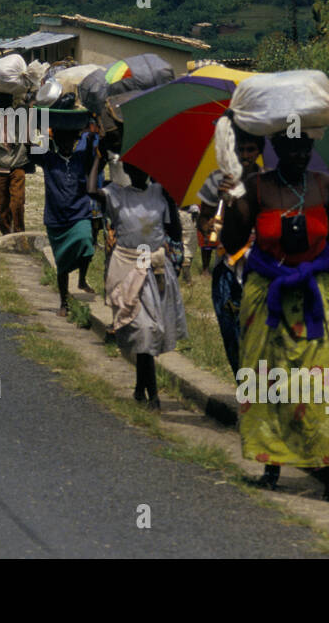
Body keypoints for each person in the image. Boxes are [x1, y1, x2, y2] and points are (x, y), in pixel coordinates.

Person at [220, 130, 329, 505]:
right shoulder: (256, 187)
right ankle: (271, 465)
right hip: (268, 295)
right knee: (268, 379)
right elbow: (233, 243)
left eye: (306, 147)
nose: (301, 154)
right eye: (292, 147)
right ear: (277, 149)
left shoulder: (323, 185)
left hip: (316, 294)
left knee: (323, 383)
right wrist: (233, 200)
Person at [90, 154, 187, 410]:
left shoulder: (160, 193)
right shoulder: (116, 194)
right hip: (127, 268)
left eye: (144, 167)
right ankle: (153, 395)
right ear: (127, 169)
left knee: (151, 332)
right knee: (143, 330)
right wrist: (98, 159)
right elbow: (90, 191)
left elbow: (175, 232)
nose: (138, 172)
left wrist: (169, 200)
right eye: (133, 167)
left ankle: (139, 389)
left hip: (155, 271)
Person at [196, 125, 266, 375]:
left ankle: (261, 390)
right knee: (231, 333)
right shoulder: (218, 180)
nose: (245, 155)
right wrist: (208, 226)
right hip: (227, 266)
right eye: (239, 150)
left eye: (250, 150)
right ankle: (245, 387)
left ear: (259, 151)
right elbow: (203, 217)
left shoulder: (267, 182)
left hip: (261, 267)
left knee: (259, 334)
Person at [40, 124, 97, 315]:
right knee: (62, 264)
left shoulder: (81, 158)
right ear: (56, 142)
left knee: (86, 243)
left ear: (74, 142)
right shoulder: (48, 159)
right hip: (56, 219)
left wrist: (92, 136)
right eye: (61, 141)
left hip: (79, 214)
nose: (65, 145)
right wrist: (34, 120)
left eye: (69, 141)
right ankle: (64, 303)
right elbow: (29, 146)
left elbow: (97, 158)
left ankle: (82, 278)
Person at [0, 92, 32, 235]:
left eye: (7, 97)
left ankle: (19, 234)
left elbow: (36, 107)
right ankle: (6, 235)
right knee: (2, 206)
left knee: (18, 203)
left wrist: (30, 95)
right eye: (2, 98)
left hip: (17, 165)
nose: (5, 101)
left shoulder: (21, 114)